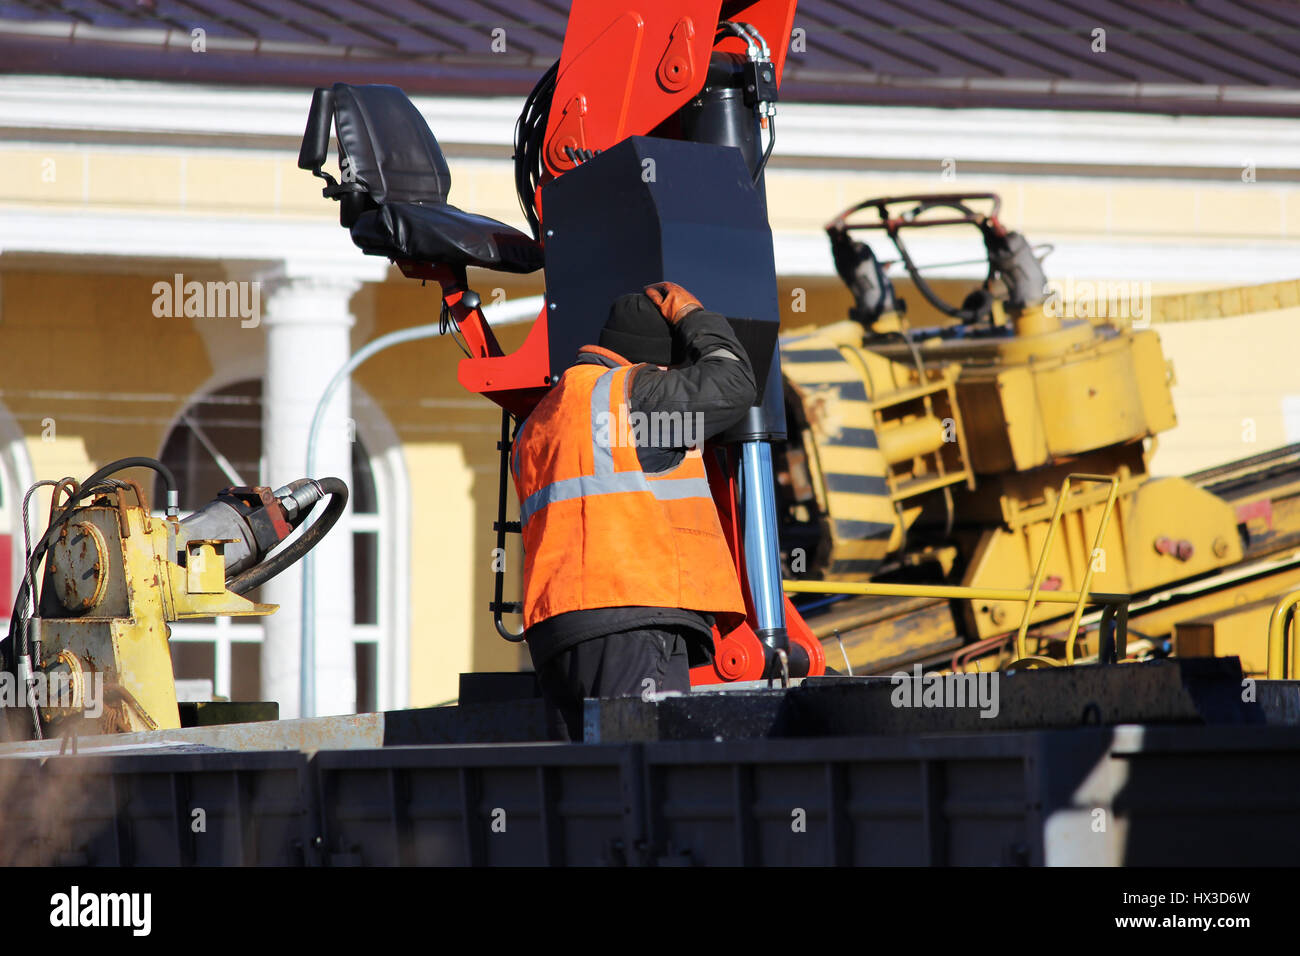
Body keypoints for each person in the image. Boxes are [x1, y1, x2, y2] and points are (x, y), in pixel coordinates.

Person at [511, 280, 757, 740]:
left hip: (558, 633)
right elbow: (734, 384)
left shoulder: (541, 417)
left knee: (589, 789)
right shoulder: (633, 397)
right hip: (632, 621)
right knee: (640, 781)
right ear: (652, 360)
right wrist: (694, 320)